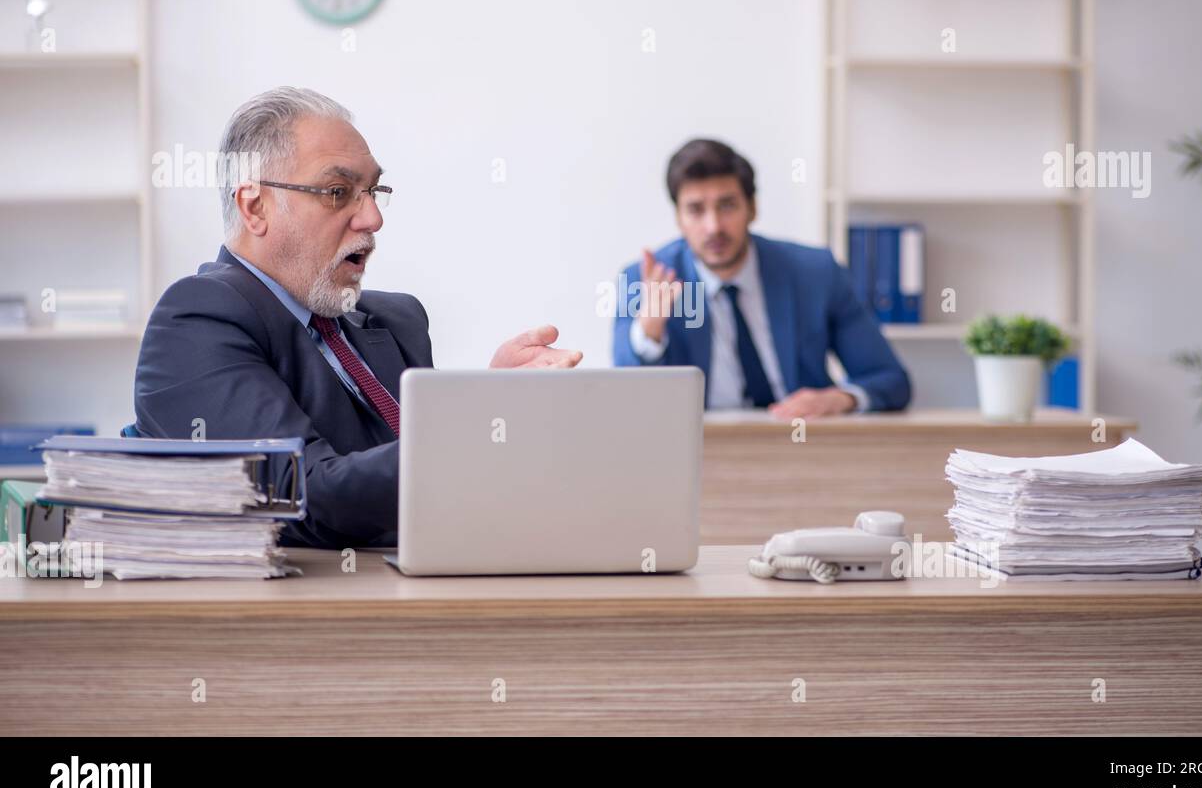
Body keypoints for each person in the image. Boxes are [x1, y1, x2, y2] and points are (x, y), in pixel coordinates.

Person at [132, 87, 582, 549]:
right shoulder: (198, 318)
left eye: (373, 191)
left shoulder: (397, 319)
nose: (371, 218)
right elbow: (299, 493)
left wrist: (490, 402)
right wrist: (473, 427)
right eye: (337, 192)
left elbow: (425, 485)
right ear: (254, 207)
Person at [612, 138, 910, 416]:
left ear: (752, 208)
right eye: (695, 210)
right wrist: (649, 333)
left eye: (727, 205)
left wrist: (840, 399)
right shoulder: (646, 279)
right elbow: (624, 402)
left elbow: (891, 380)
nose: (713, 226)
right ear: (679, 218)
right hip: (700, 453)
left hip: (799, 443)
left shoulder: (815, 272)